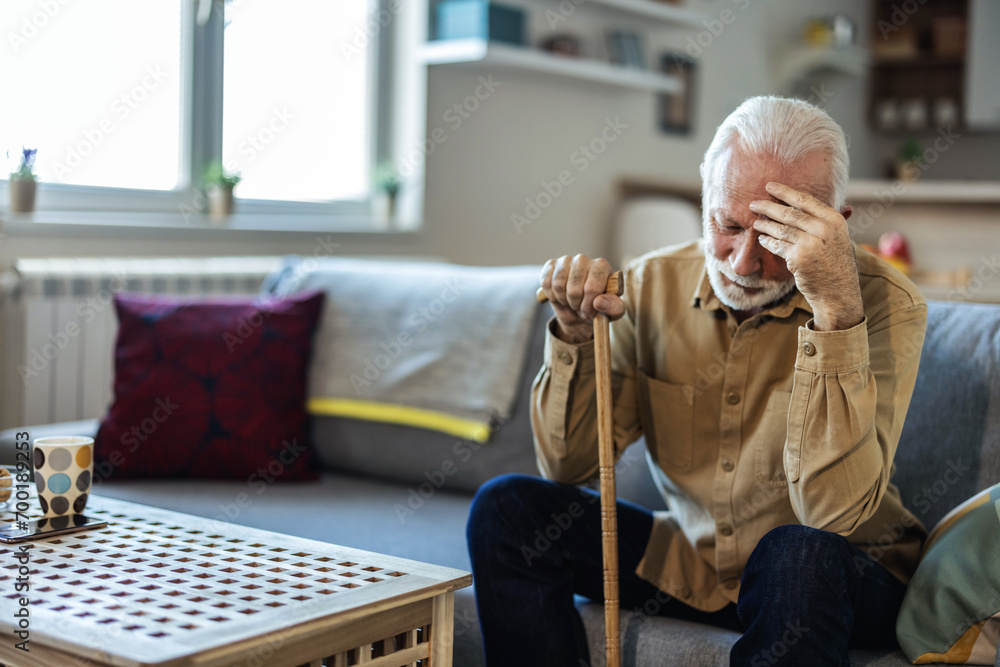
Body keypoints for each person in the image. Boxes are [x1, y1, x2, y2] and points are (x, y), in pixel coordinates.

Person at [467, 96, 928, 666]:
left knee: (796, 556)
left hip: (842, 573)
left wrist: (834, 310)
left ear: (834, 227)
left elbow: (833, 517)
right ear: (705, 194)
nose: (742, 263)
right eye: (728, 225)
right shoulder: (646, 285)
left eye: (777, 237)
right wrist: (574, 334)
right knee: (506, 510)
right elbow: (568, 467)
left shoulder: (886, 303)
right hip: (696, 563)